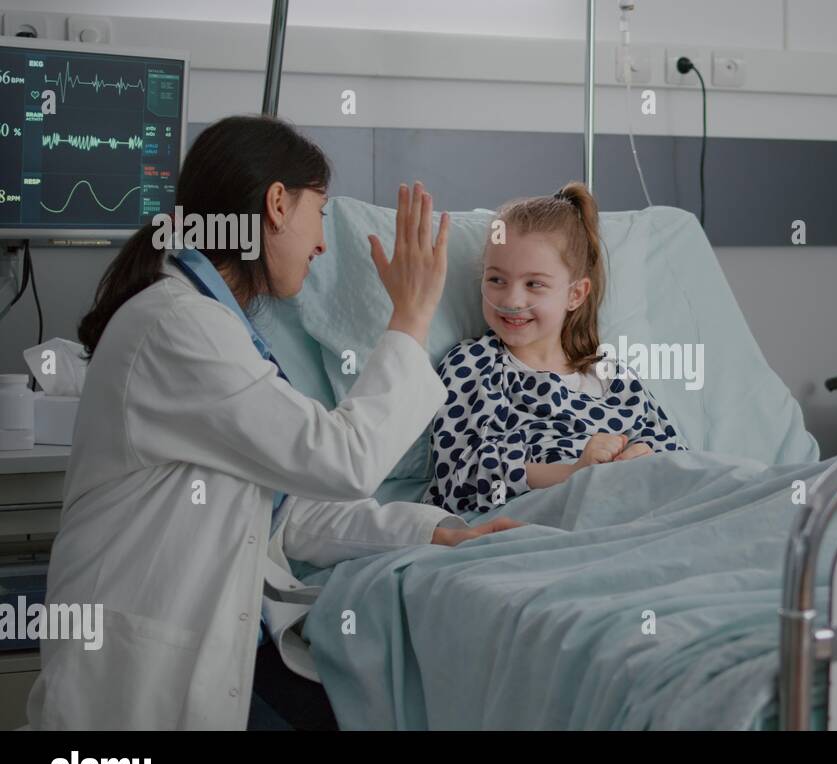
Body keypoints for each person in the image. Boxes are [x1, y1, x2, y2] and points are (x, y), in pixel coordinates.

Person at [26, 115, 520, 730]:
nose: (321, 243)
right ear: (278, 204)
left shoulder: (214, 327)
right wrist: (410, 319)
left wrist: (432, 532)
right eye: (321, 212)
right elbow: (340, 459)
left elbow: (288, 510)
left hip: (231, 651)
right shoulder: (177, 327)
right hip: (140, 682)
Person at [423, 181, 686, 516]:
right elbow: (457, 478)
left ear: (575, 294)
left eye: (535, 284)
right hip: (542, 518)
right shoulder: (474, 365)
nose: (512, 300)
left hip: (635, 512)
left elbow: (676, 450)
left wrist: (643, 453)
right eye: (496, 280)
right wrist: (575, 473)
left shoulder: (613, 376)